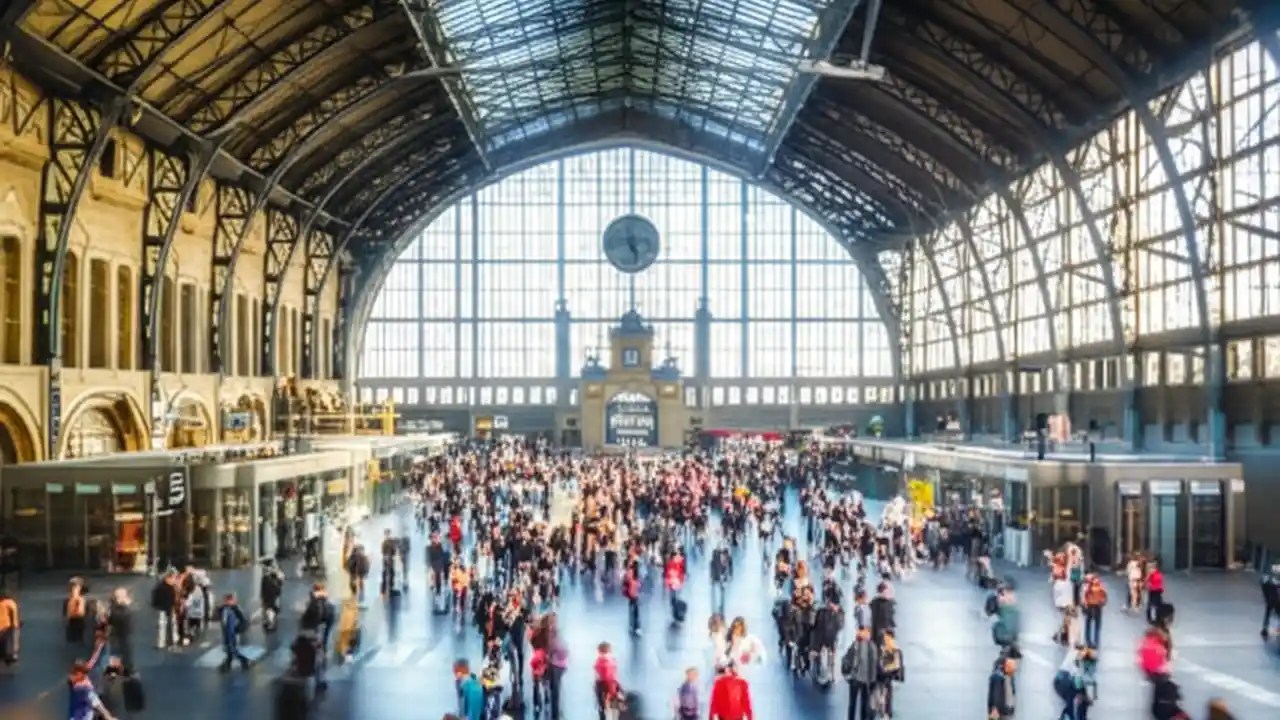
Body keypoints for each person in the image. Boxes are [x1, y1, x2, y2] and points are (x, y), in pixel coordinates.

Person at [840, 626, 879, 720]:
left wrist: (846, 674)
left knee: (852, 703)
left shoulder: (855, 645)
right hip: (866, 680)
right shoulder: (872, 646)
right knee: (864, 703)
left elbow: (847, 660)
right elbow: (874, 664)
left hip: (854, 678)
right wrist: (873, 681)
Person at [216, 592, 251, 672]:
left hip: (231, 633)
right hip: (230, 633)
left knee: (232, 649)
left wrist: (230, 635)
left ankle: (244, 661)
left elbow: (228, 624)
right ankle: (228, 664)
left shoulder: (230, 610)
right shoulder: (229, 609)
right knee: (230, 650)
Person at [987, 654, 1017, 719]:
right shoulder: (998, 678)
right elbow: (996, 694)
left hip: (999, 710)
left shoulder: (998, 675)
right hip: (998, 712)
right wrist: (995, 708)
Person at [0, 589, 18, 665]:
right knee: (10, 640)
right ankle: (11, 655)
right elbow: (14, 616)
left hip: (4, 626)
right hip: (5, 627)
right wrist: (15, 625)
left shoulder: (8, 603)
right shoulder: (10, 603)